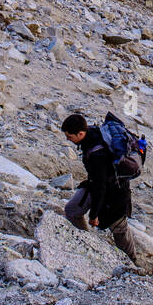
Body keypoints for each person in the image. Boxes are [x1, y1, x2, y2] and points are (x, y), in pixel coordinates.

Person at [61, 112, 138, 266]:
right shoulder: (92, 135)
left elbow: (100, 187)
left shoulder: (97, 155)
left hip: (115, 192)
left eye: (70, 136)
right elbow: (97, 183)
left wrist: (94, 215)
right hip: (97, 184)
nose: (68, 139)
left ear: (81, 133)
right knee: (72, 210)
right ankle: (86, 243)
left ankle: (132, 263)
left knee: (119, 227)